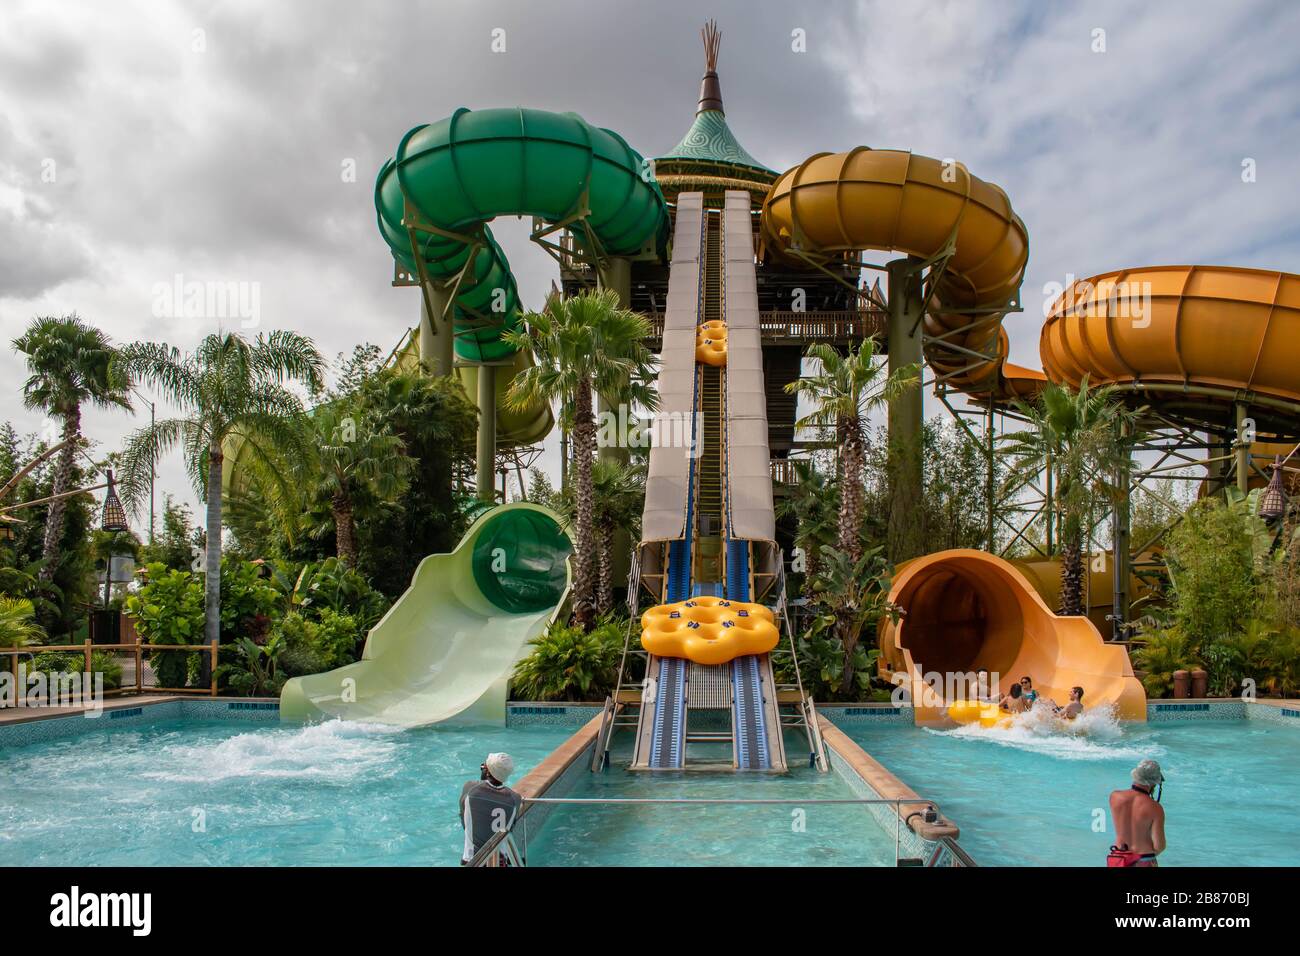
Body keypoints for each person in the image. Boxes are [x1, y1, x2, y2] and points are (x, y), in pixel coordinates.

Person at [459, 752, 523, 865]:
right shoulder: (515, 799)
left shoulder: (470, 789)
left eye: (484, 766)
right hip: (501, 861)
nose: (482, 767)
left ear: (488, 772)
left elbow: (463, 818)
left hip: (473, 861)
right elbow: (511, 826)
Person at [1107, 759, 1166, 867]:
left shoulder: (1114, 797)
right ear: (1153, 782)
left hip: (1119, 858)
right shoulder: (1155, 808)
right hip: (1144, 859)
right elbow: (1160, 846)